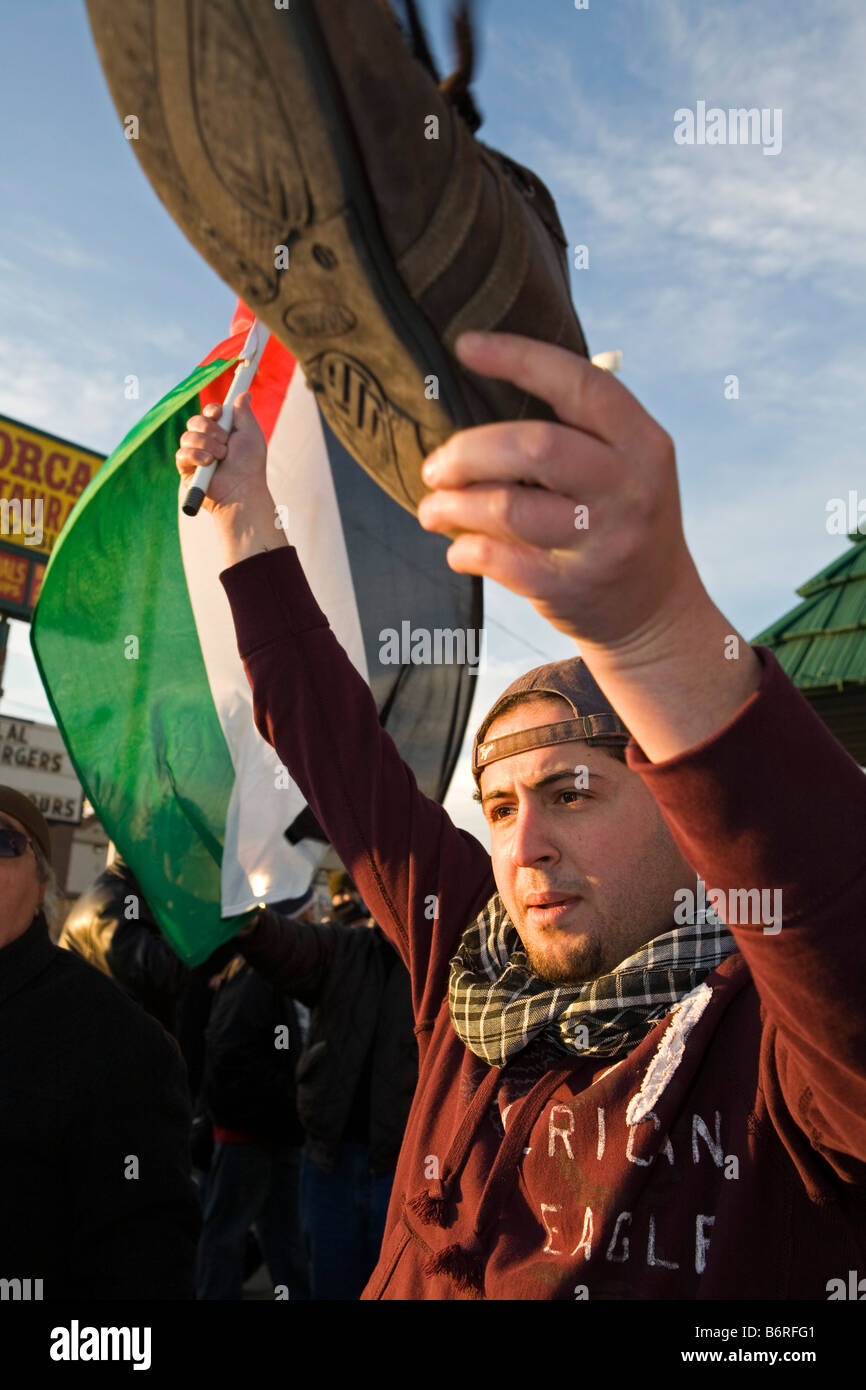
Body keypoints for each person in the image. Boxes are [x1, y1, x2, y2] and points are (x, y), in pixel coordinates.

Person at [175, 328, 866, 1302]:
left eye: (571, 794)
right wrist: (244, 513)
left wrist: (654, 625)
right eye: (497, 805)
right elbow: (333, 742)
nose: (524, 842)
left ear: (685, 815)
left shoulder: (778, 1043)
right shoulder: (465, 954)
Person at [0, 787, 200, 1299]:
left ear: (42, 877)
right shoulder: (118, 905)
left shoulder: (122, 1046)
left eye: (2, 842)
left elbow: (141, 1274)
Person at [235, 871, 417, 1299]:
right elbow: (285, 946)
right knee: (330, 1285)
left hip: (398, 1170)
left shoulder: (442, 970)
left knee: (389, 1287)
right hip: (329, 1162)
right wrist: (251, 923)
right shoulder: (343, 947)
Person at [195, 955, 309, 1300]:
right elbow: (236, 1057)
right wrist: (285, 1100)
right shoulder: (257, 976)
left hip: (261, 1129)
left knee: (265, 1233)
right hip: (256, 1131)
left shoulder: (251, 975)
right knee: (248, 1234)